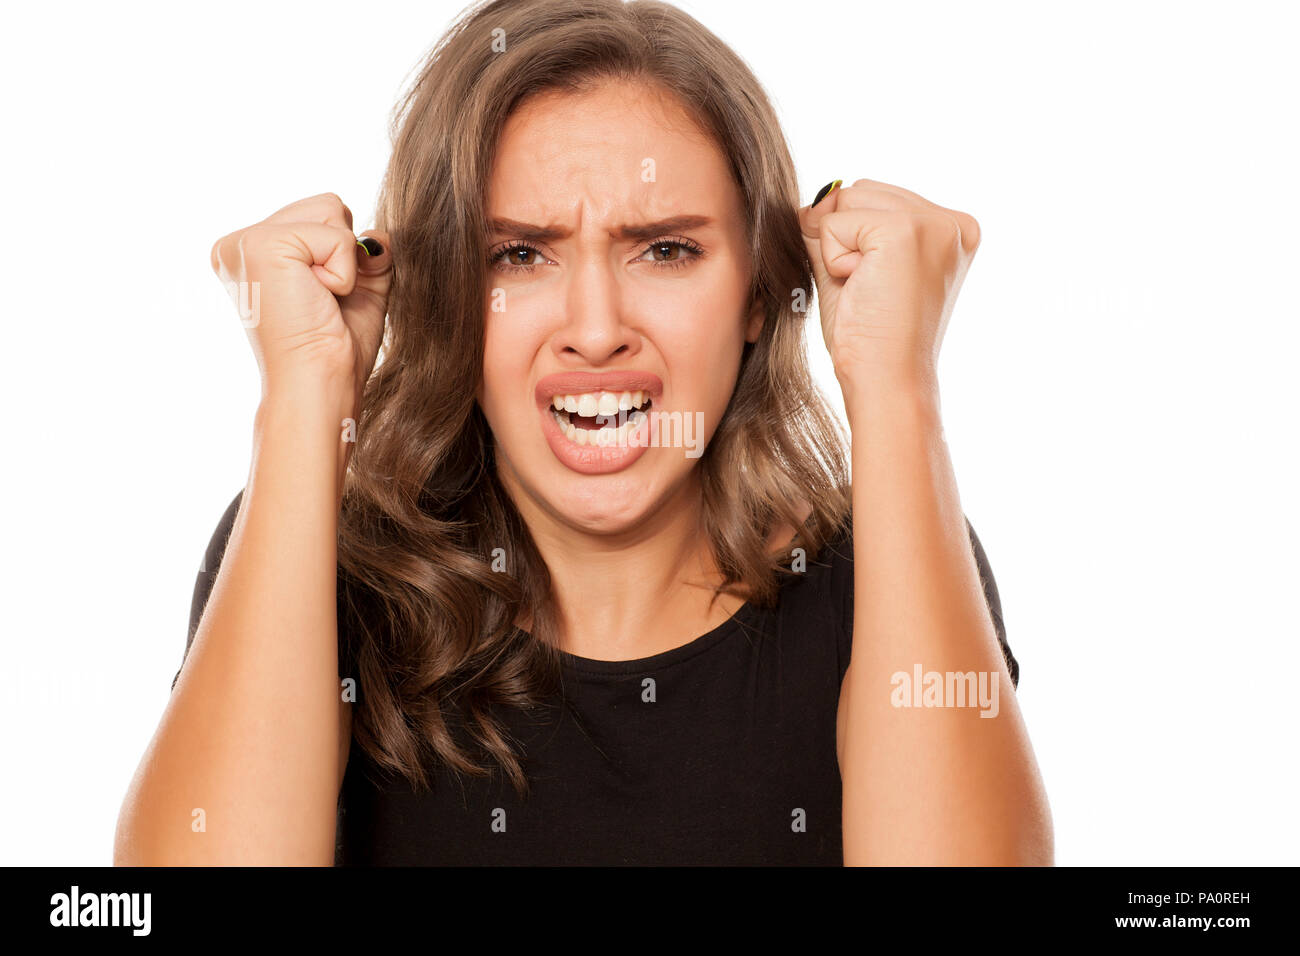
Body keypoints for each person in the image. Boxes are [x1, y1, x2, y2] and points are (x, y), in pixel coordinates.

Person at [115, 0, 1051, 866]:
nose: (596, 329)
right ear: (443, 292)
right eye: (518, 254)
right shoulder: (322, 555)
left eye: (667, 249)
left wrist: (897, 382)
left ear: (760, 292)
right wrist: (305, 398)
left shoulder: (875, 565)